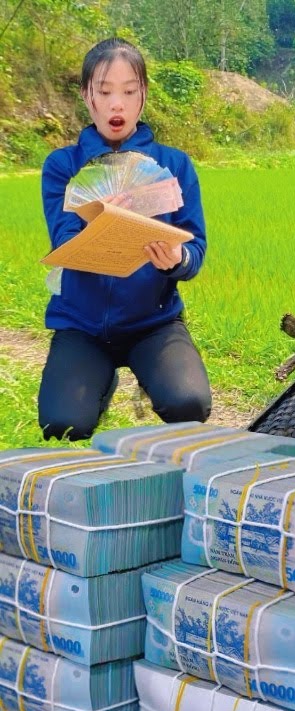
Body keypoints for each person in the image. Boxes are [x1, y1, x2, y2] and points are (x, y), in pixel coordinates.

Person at [38, 38, 211, 441]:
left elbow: (195, 250)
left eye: (129, 92)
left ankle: (149, 371)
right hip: (81, 324)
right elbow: (64, 241)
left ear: (143, 96)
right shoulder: (63, 166)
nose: (117, 104)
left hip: (154, 322)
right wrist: (102, 222)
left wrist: (177, 259)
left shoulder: (173, 165)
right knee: (62, 424)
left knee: (190, 403)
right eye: (104, 91)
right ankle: (100, 382)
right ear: (87, 96)